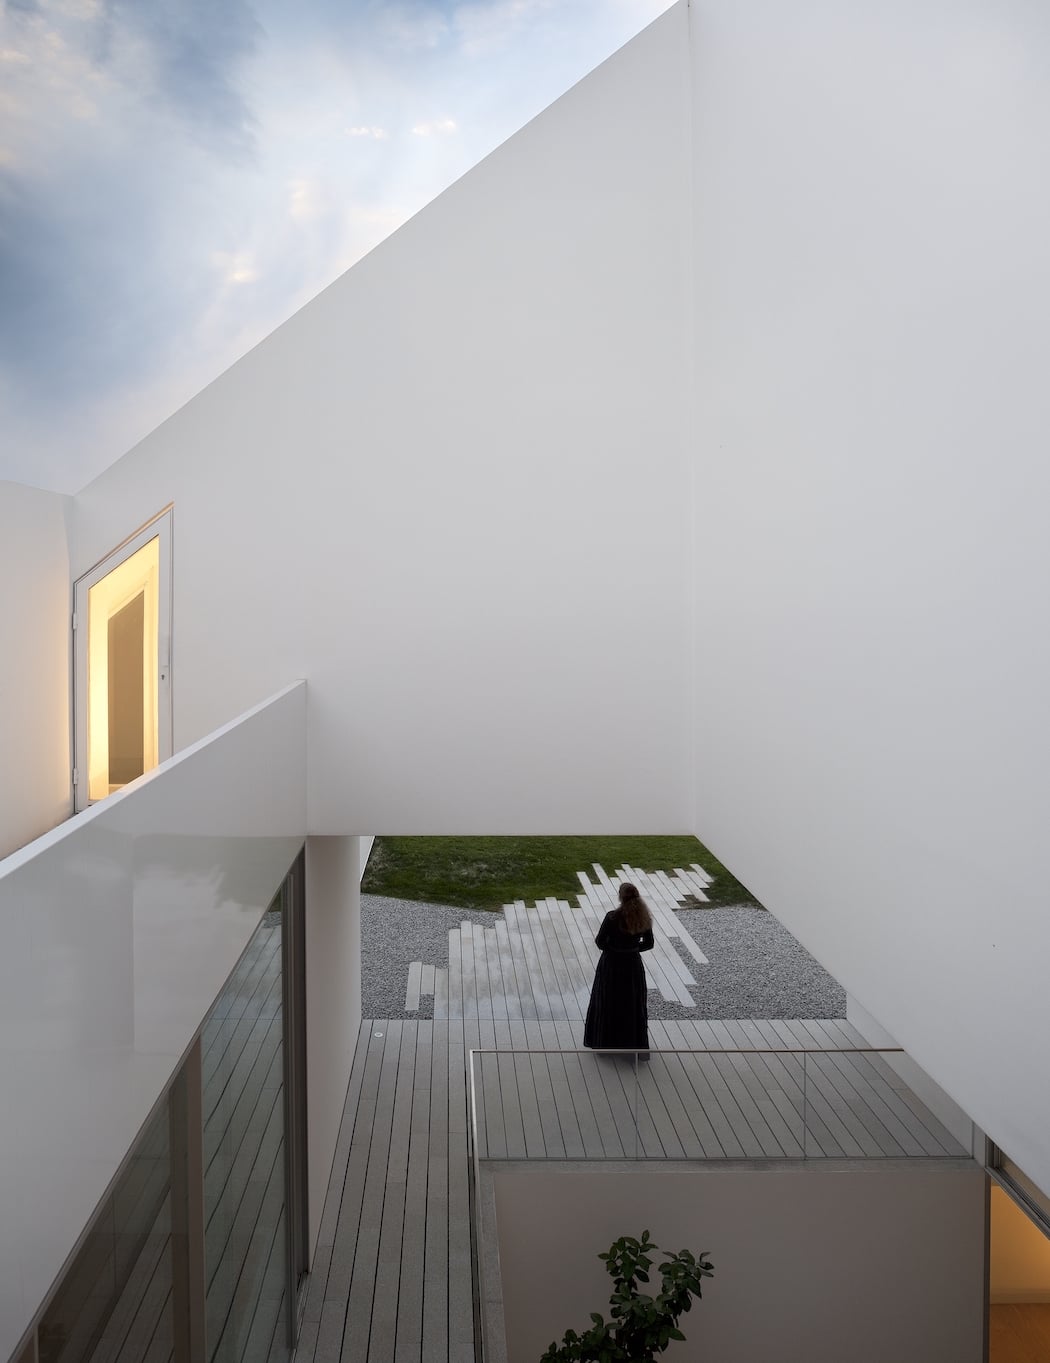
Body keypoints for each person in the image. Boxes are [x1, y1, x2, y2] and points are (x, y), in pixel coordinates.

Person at [583, 881, 655, 1056]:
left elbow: (600, 942)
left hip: (611, 965)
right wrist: (631, 949)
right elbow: (649, 944)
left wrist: (614, 948)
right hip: (632, 966)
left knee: (608, 1002)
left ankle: (605, 1044)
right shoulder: (643, 917)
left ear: (620, 897)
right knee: (631, 1004)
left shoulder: (612, 917)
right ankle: (630, 1044)